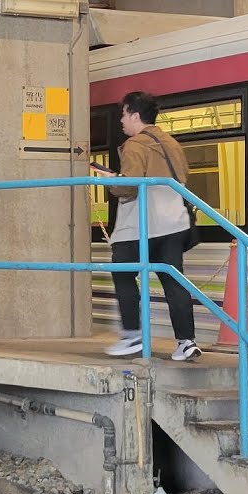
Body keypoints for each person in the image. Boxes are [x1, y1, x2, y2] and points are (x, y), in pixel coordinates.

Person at [93, 91, 201, 362]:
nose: (121, 120)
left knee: (123, 272)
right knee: (173, 281)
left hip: (141, 224)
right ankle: (186, 342)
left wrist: (109, 180)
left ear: (135, 115)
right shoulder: (171, 142)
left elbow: (128, 187)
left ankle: (132, 335)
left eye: (124, 114)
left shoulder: (135, 145)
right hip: (174, 222)